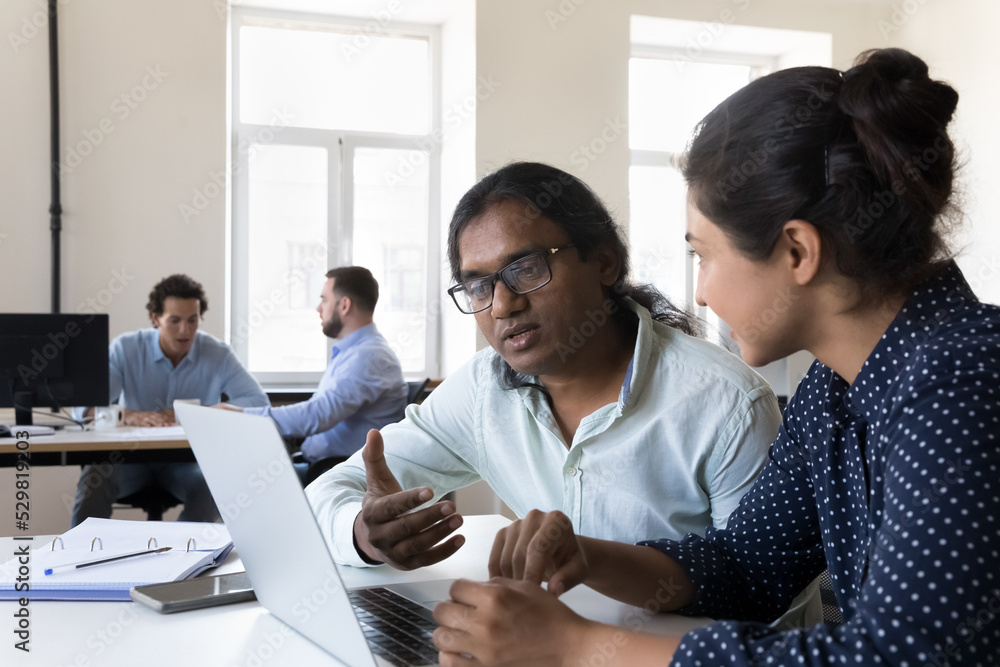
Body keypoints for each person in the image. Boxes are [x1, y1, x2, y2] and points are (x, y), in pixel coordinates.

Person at [431, 49, 1000, 666]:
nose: (699, 291)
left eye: (705, 255)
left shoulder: (966, 379)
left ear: (797, 253)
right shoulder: (832, 390)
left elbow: (897, 657)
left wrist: (575, 646)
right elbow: (747, 567)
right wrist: (588, 556)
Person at [306, 161, 783, 573]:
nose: (502, 305)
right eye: (478, 286)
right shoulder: (484, 388)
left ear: (604, 263)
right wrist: (364, 534)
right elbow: (333, 488)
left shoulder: (726, 405)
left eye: (527, 268)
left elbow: (762, 604)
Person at [71, 274, 268, 526]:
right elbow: (82, 408)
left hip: (188, 462)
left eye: (192, 320)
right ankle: (79, 556)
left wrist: (195, 414)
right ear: (156, 319)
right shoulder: (126, 349)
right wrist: (126, 414)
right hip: (128, 460)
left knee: (215, 482)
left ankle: (183, 557)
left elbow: (258, 403)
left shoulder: (217, 354)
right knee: (94, 476)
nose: (185, 330)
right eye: (174, 320)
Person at [226, 266, 407, 471]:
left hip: (340, 471)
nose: (318, 308)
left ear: (345, 305)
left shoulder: (368, 357)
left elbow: (317, 415)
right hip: (322, 465)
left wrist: (240, 416)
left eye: (324, 299)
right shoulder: (354, 352)